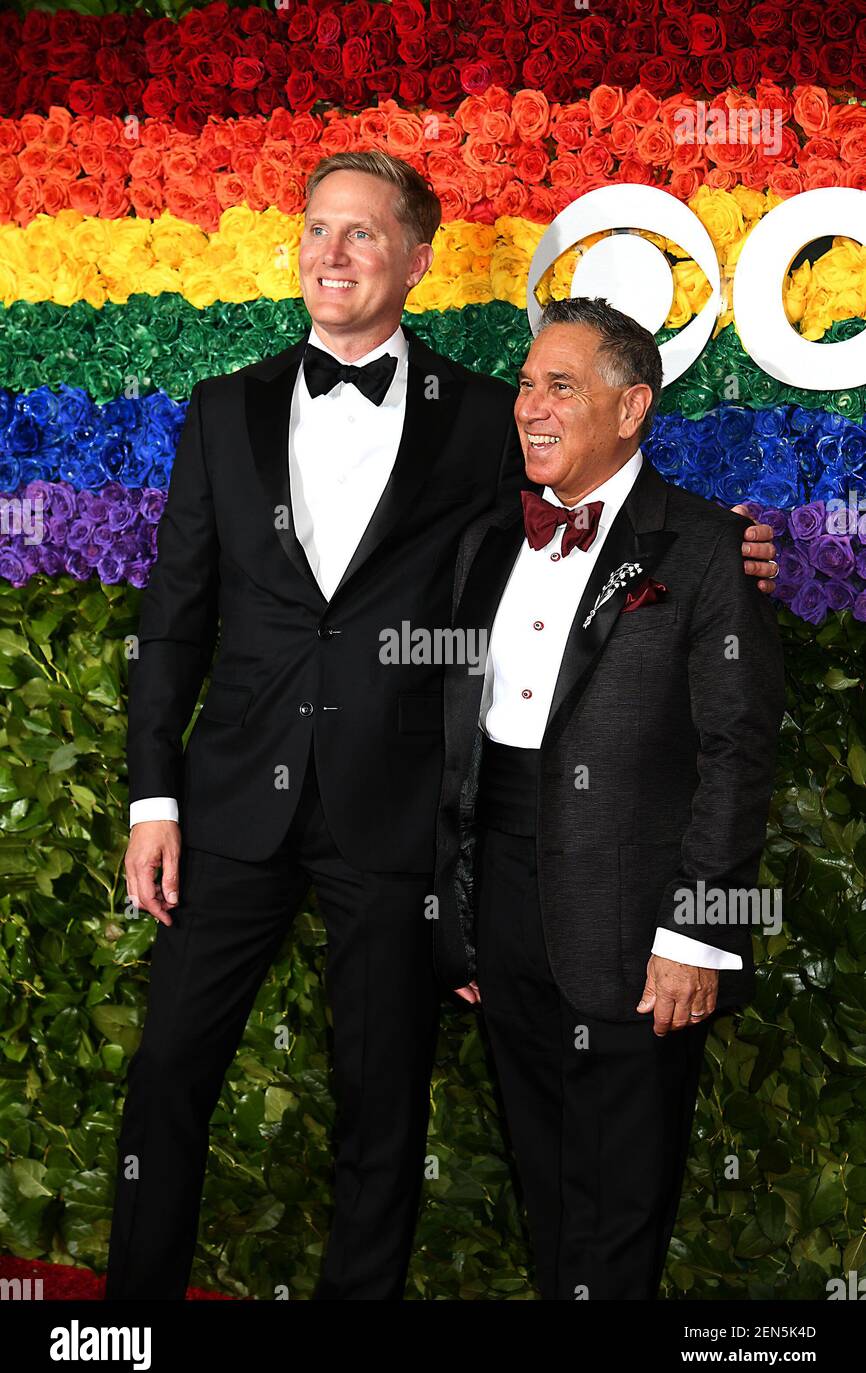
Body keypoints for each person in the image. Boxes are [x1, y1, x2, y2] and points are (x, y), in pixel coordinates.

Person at [107, 154, 779, 1301]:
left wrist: (725, 548)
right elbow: (174, 617)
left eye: (361, 234)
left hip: (397, 819)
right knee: (167, 1070)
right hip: (229, 802)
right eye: (317, 229)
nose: (330, 252)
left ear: (416, 261)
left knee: (382, 1106)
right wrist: (153, 796)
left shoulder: (485, 416)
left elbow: (594, 513)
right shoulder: (222, 409)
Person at [433, 296, 785, 1300]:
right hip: (502, 900)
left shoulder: (707, 546)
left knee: (621, 1206)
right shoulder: (484, 543)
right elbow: (462, 751)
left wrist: (695, 935)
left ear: (630, 408)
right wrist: (460, 925)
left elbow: (736, 750)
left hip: (640, 923)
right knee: (545, 1188)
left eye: (559, 386)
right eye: (523, 384)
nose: (528, 406)